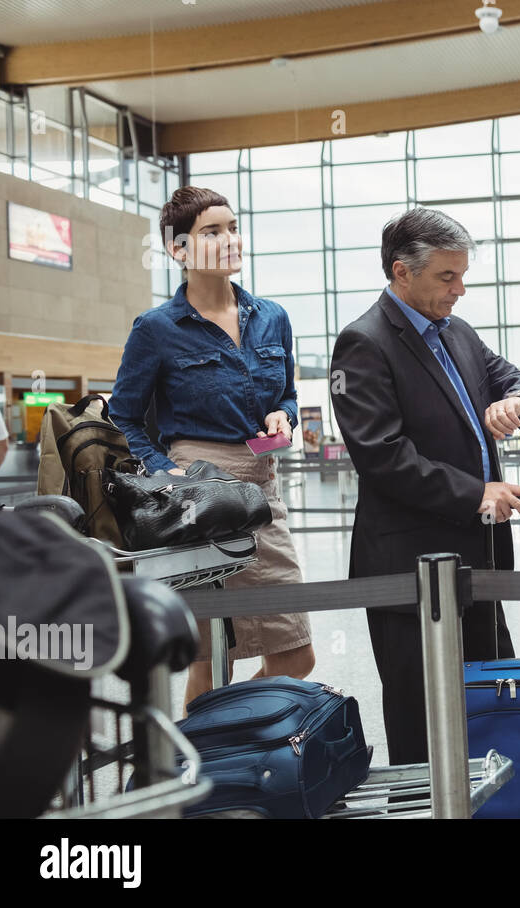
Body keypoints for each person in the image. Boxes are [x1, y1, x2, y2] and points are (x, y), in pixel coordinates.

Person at [329, 207, 520, 765]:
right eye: (447, 277)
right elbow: (382, 455)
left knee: (489, 705)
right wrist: (478, 492)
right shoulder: (364, 343)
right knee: (421, 721)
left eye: (463, 274)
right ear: (402, 272)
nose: (461, 289)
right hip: (410, 569)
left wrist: (517, 401)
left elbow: (519, 378)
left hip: (478, 562)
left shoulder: (458, 334)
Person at [110, 187, 314, 712]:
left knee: (297, 656)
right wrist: (164, 472)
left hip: (261, 490)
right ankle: (211, 767)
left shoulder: (272, 318)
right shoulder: (156, 330)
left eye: (233, 227)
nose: (229, 240)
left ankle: (225, 729)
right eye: (211, 231)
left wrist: (283, 416)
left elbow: (287, 392)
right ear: (178, 249)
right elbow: (125, 417)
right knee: (207, 662)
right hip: (195, 499)